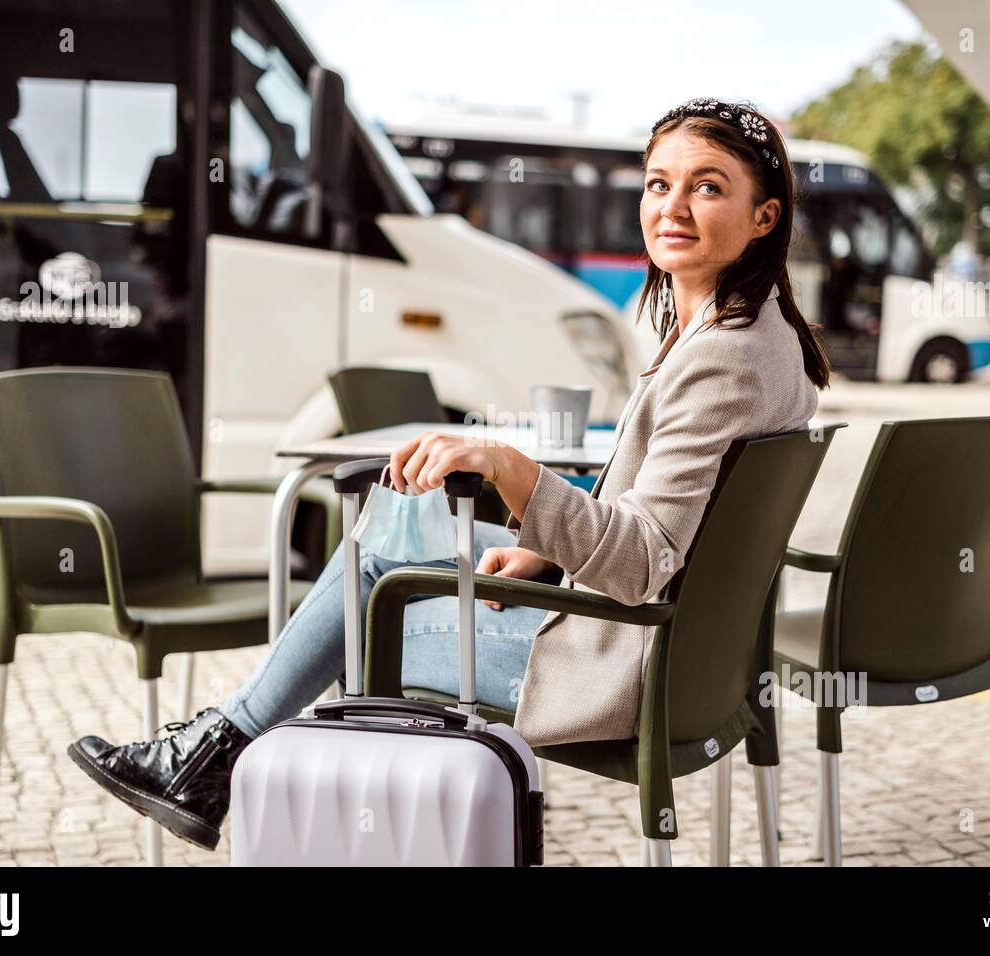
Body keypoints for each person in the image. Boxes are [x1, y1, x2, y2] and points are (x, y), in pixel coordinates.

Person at [67, 97, 832, 853]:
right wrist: (544, 550)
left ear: (763, 217)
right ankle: (213, 758)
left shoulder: (720, 359)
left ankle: (215, 763)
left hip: (625, 665)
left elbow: (639, 560)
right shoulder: (758, 337)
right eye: (659, 183)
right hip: (692, 658)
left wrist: (509, 466)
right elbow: (670, 526)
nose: (674, 205)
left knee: (372, 605)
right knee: (385, 551)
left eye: (708, 186)